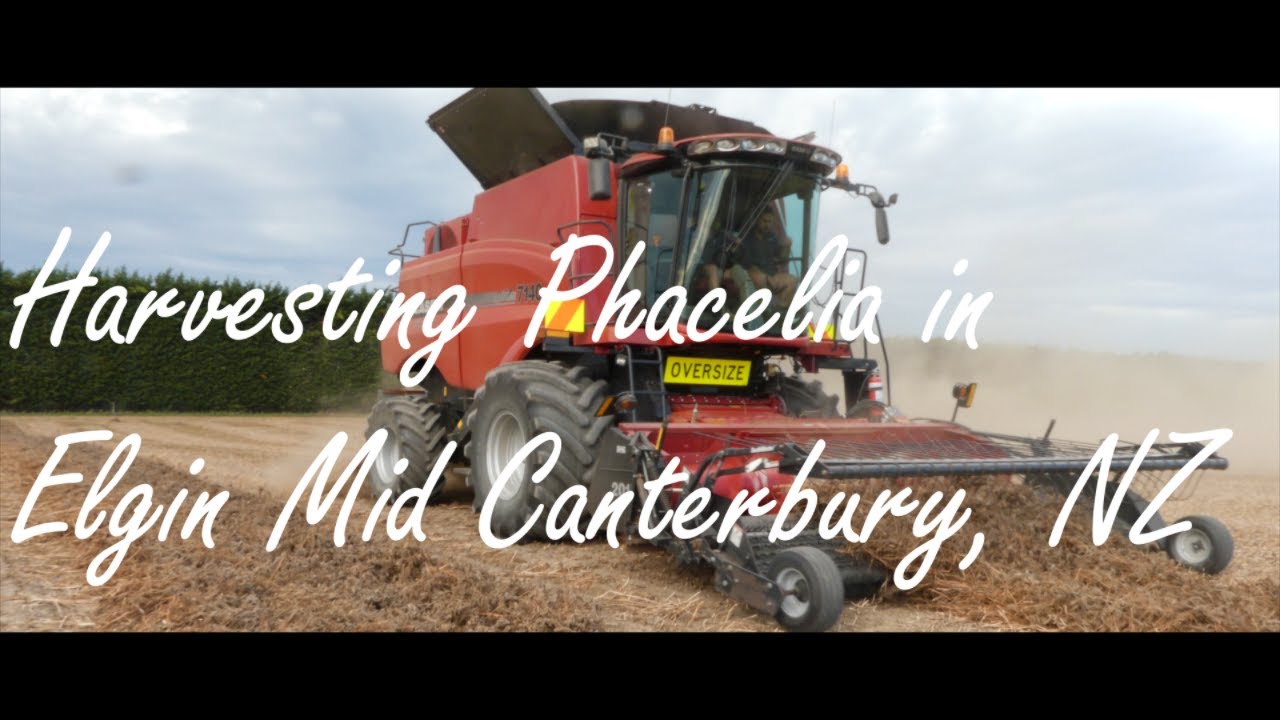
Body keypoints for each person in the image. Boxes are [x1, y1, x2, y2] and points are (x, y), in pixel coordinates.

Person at [740, 206, 798, 309]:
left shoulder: (772, 237)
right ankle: (764, 308)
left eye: (770, 222)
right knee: (760, 277)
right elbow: (746, 263)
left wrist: (787, 247)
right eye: (764, 221)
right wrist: (766, 277)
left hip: (772, 274)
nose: (767, 225)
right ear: (757, 220)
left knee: (793, 280)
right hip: (754, 273)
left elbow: (781, 258)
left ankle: (778, 309)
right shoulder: (747, 237)